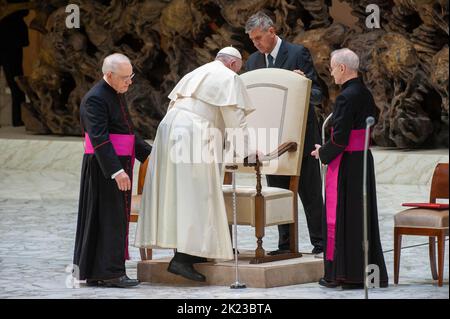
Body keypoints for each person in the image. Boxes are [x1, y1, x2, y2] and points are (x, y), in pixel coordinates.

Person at [134, 47, 255, 282]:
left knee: (177, 195)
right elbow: (235, 118)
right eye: (238, 70)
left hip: (169, 129)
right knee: (198, 195)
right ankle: (183, 259)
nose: (237, 74)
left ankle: (192, 251)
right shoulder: (228, 77)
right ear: (232, 65)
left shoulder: (195, 74)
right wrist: (247, 152)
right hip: (194, 133)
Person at [245, 11, 324, 255]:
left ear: (272, 31)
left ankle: (321, 244)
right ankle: (285, 245)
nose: (256, 44)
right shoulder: (253, 63)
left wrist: (302, 85)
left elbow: (319, 95)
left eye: (259, 37)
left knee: (309, 192)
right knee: (277, 193)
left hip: (301, 136)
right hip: (270, 139)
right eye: (252, 40)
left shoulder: (298, 53)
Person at [311, 48, 388, 289]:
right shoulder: (364, 92)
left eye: (332, 68)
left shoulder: (345, 97)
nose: (331, 73)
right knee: (361, 219)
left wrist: (321, 152)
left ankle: (340, 275)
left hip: (346, 165)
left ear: (342, 68)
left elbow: (340, 139)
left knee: (343, 218)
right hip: (363, 160)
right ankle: (365, 273)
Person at [73, 53, 152, 288]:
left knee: (112, 217)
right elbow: (99, 138)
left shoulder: (115, 93)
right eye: (125, 78)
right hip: (103, 169)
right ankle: (110, 273)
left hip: (117, 164)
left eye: (131, 77)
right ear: (109, 75)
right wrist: (116, 171)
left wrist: (149, 154)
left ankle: (101, 272)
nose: (130, 82)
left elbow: (126, 132)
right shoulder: (95, 99)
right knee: (109, 218)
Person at [0, 0, 29, 126]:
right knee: (15, 80)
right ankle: (19, 119)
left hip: (12, 39)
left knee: (15, 80)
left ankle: (19, 118)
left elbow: (25, 9)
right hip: (10, 37)